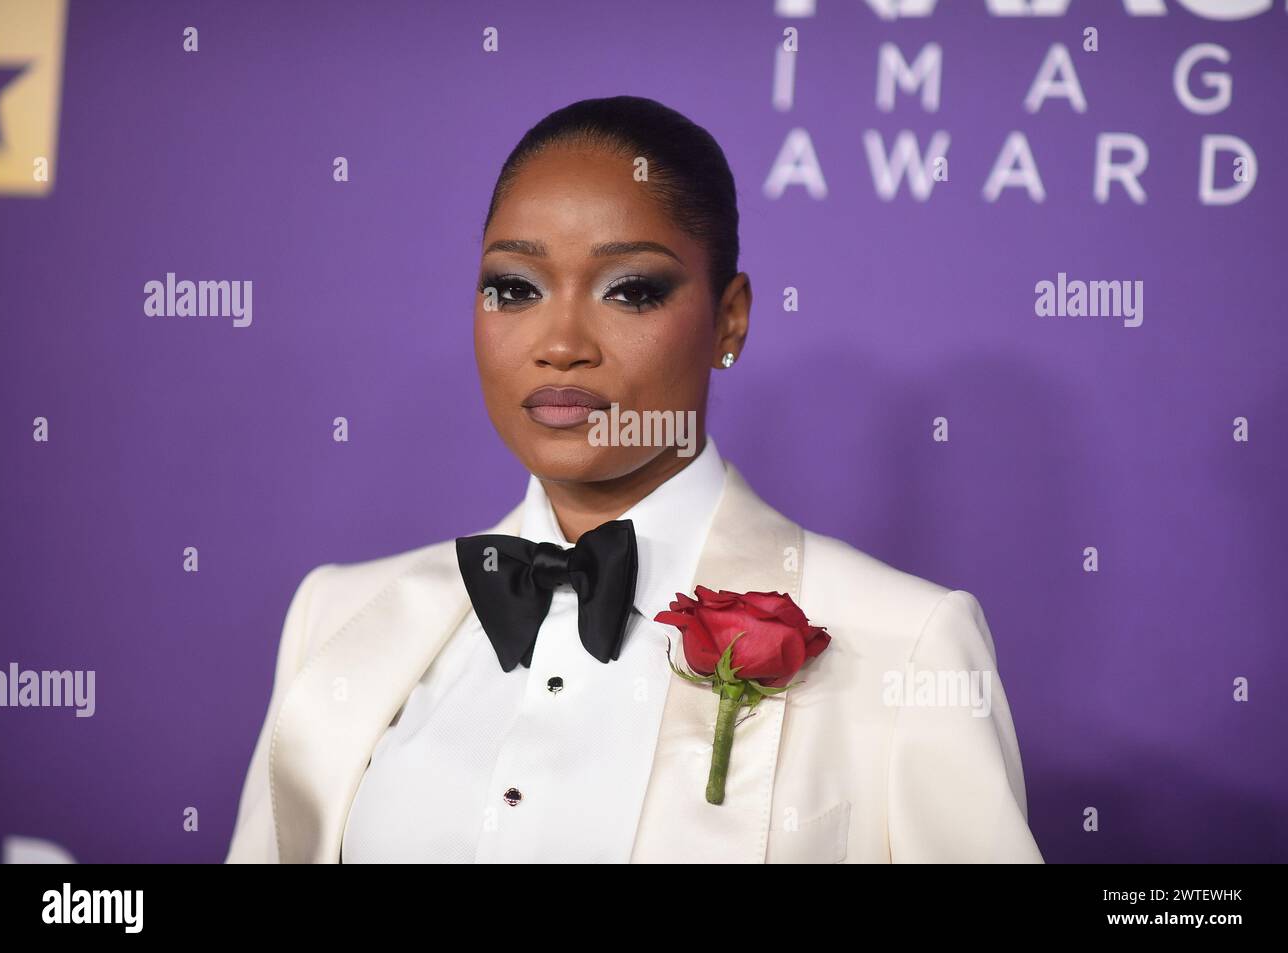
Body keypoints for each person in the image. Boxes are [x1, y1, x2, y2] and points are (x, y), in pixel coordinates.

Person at [224, 95, 1044, 864]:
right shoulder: (337, 618)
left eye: (631, 290)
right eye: (515, 287)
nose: (561, 341)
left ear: (731, 318)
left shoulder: (907, 643)